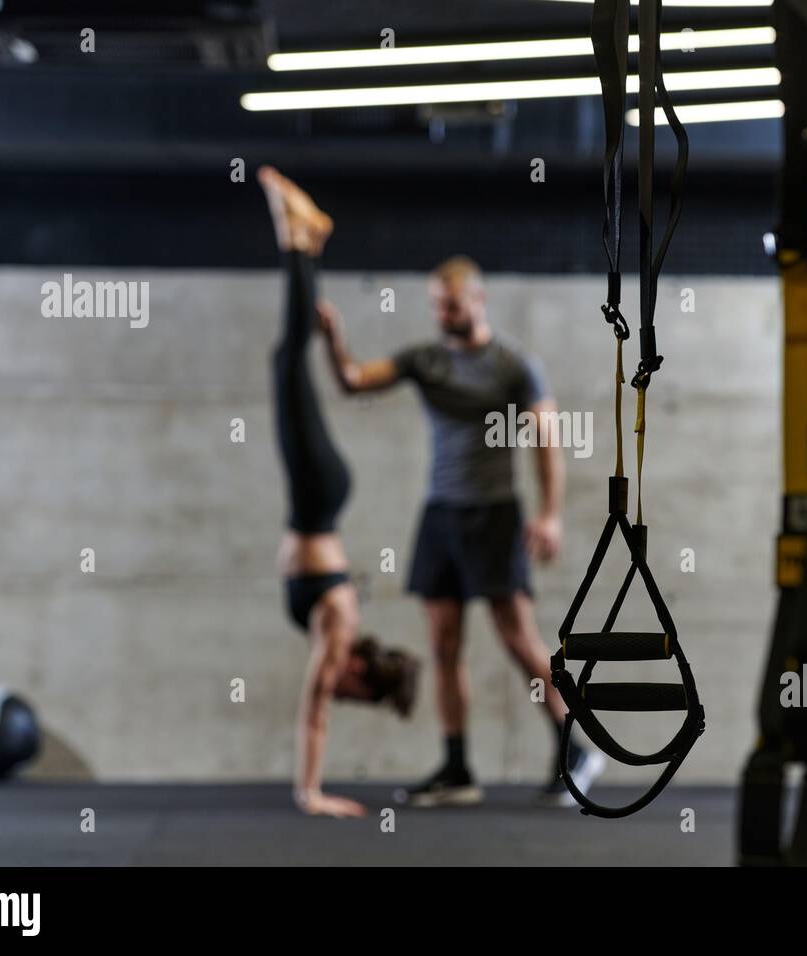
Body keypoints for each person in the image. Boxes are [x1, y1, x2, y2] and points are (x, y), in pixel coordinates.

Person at [316, 255, 605, 807]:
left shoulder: (514, 365)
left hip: (494, 514)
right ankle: (456, 767)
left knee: (519, 639)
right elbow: (354, 382)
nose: (442, 316)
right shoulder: (425, 361)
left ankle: (577, 750)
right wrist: (334, 338)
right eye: (435, 307)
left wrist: (550, 514)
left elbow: (547, 438)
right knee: (444, 644)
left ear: (478, 300)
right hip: (441, 515)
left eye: (450, 306)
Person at [258, 166, 420, 818]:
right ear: (361, 671)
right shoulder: (339, 628)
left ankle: (307, 240)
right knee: (284, 361)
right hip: (318, 493)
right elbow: (314, 710)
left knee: (284, 360)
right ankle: (298, 237)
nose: (341, 692)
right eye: (358, 693)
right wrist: (311, 793)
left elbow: (324, 701)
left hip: (319, 496)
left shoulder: (339, 625)